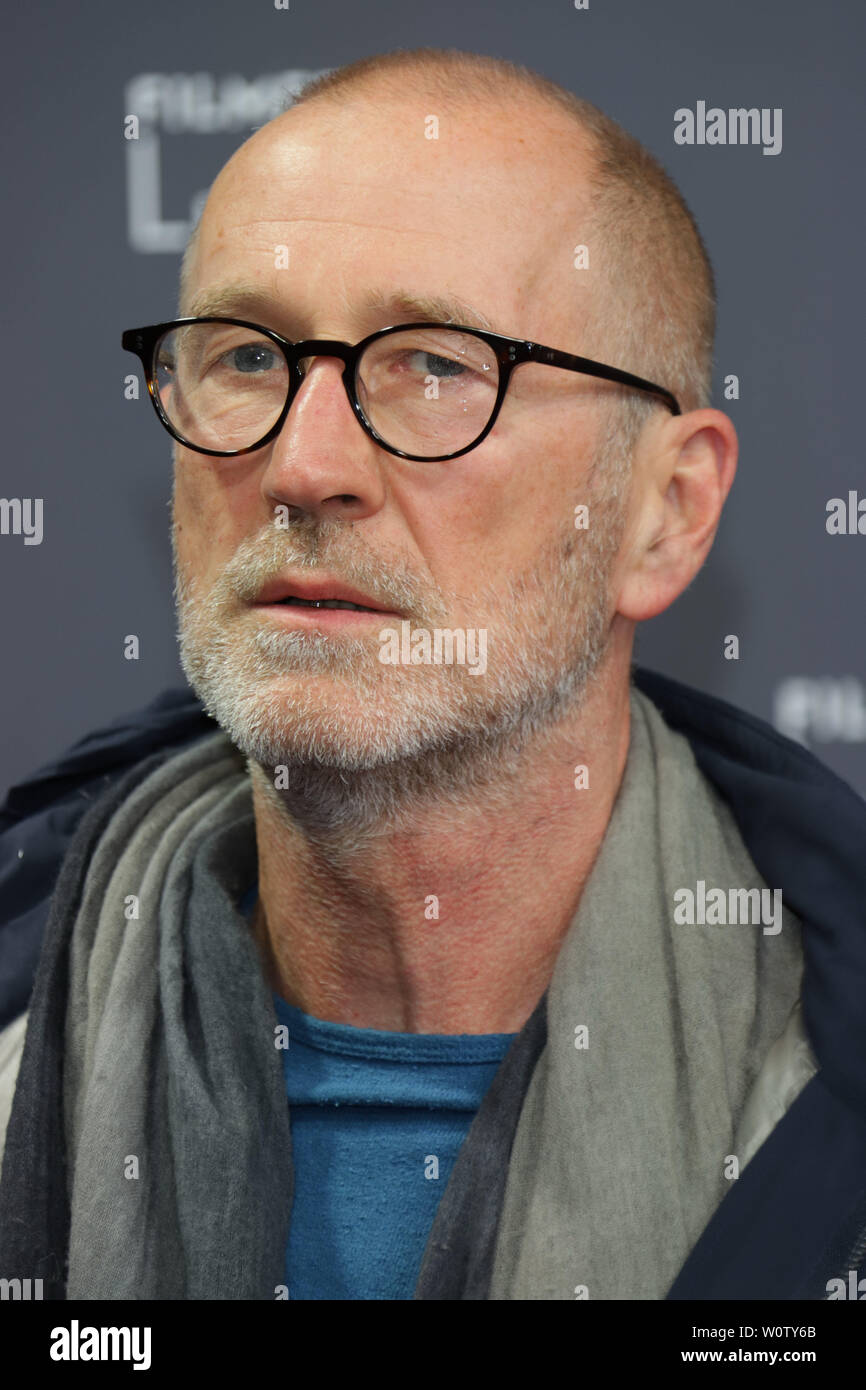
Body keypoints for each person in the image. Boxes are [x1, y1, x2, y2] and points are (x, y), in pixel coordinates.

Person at [1, 47, 865, 1303]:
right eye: (247, 358)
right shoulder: (25, 1015)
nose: (302, 469)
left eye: (436, 367)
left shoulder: (822, 1098)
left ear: (664, 513)